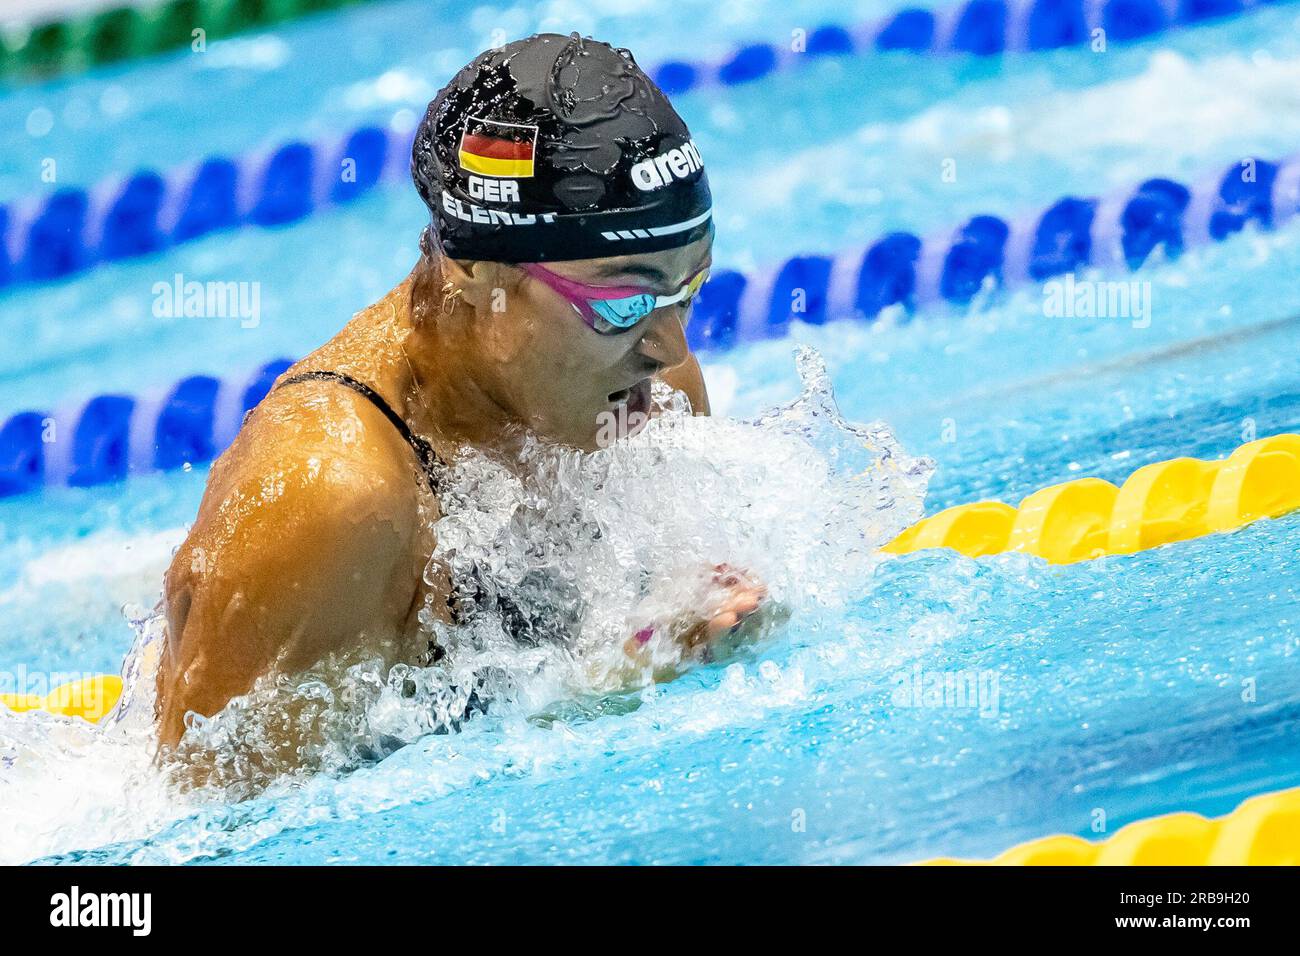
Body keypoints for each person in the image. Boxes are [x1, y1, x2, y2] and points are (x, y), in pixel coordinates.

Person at [155, 33, 767, 751]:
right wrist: (605, 692)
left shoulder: (645, 392)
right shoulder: (331, 501)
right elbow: (221, 814)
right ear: (476, 272)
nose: (671, 351)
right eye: (623, 304)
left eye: (687, 292)